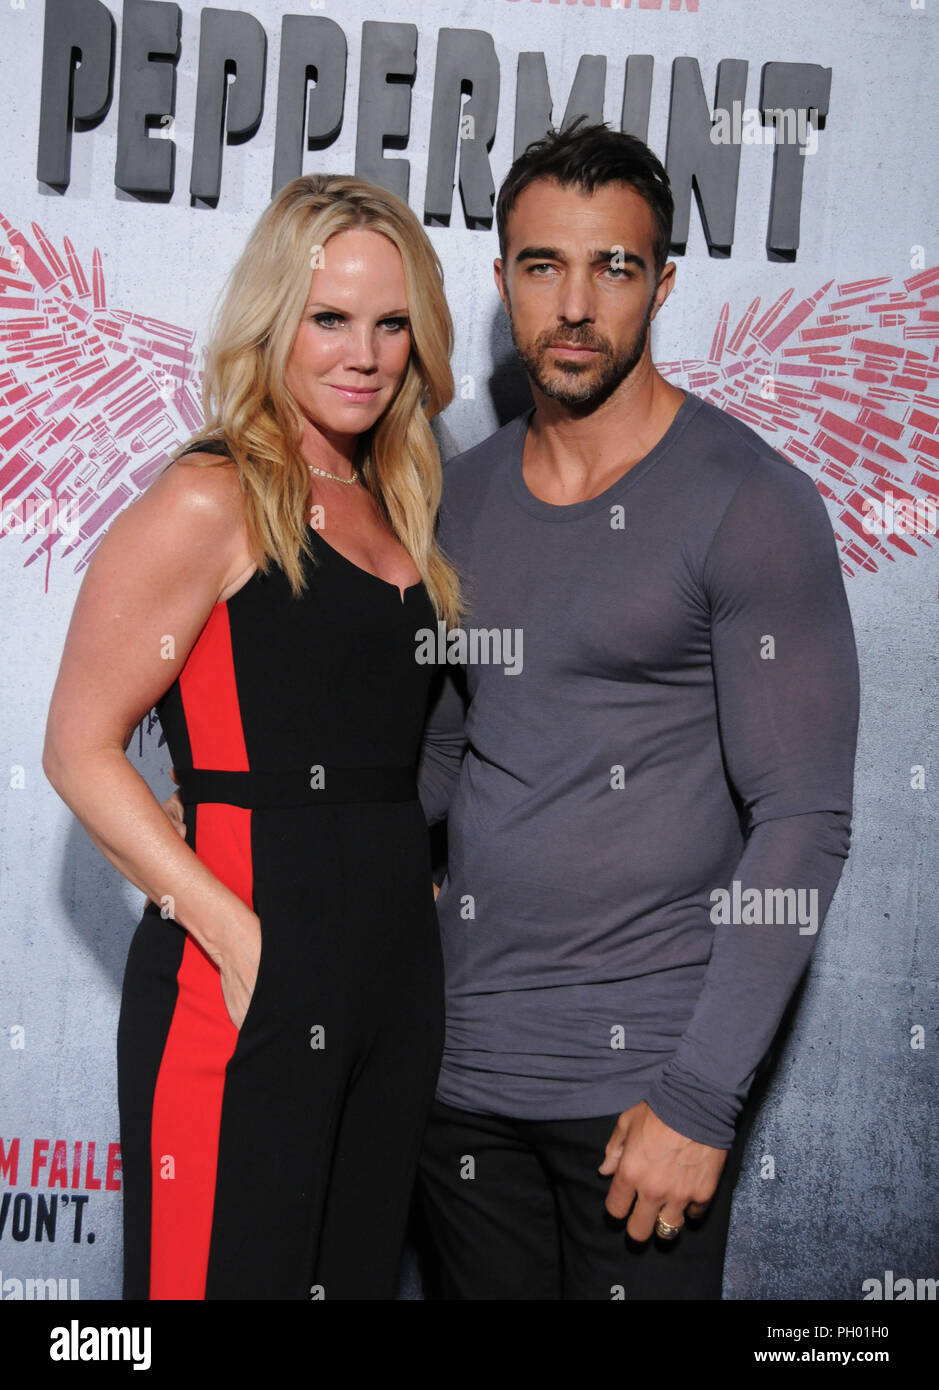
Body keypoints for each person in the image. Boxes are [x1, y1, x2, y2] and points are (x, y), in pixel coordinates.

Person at [413, 121, 861, 1300]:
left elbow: (804, 818)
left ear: (661, 284)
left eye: (612, 268)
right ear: (501, 278)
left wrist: (700, 1094)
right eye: (542, 265)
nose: (574, 305)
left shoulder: (749, 503)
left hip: (642, 1098)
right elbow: (446, 754)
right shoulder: (457, 503)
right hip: (458, 1089)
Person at [42, 173, 462, 1300]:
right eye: (330, 318)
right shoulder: (213, 494)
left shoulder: (401, 503)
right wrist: (232, 934)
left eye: (391, 324)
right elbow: (79, 746)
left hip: (391, 986)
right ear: (274, 319)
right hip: (245, 972)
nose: (365, 354)